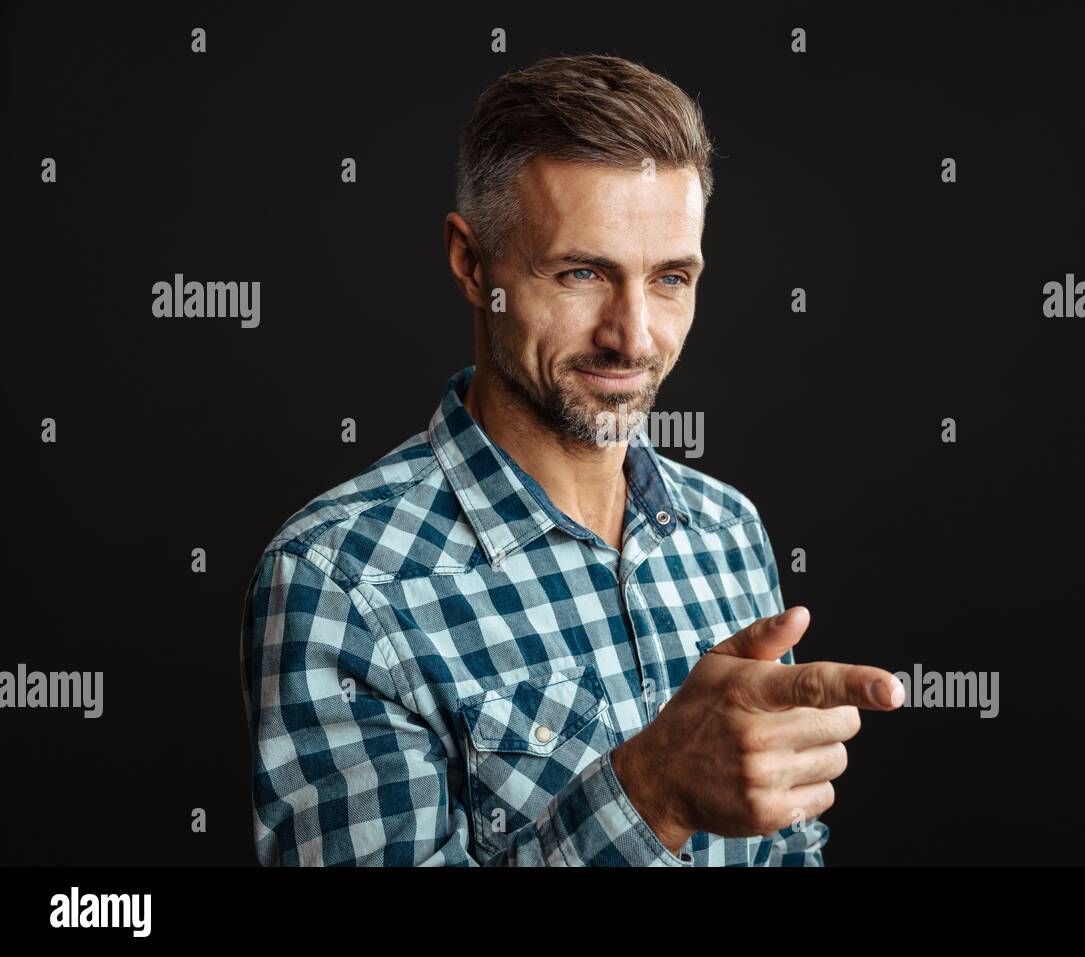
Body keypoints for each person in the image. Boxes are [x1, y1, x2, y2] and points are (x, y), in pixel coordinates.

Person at [239, 52, 903, 866]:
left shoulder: (728, 532)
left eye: (669, 278)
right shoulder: (340, 579)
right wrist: (651, 795)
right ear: (471, 262)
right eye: (581, 272)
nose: (633, 335)